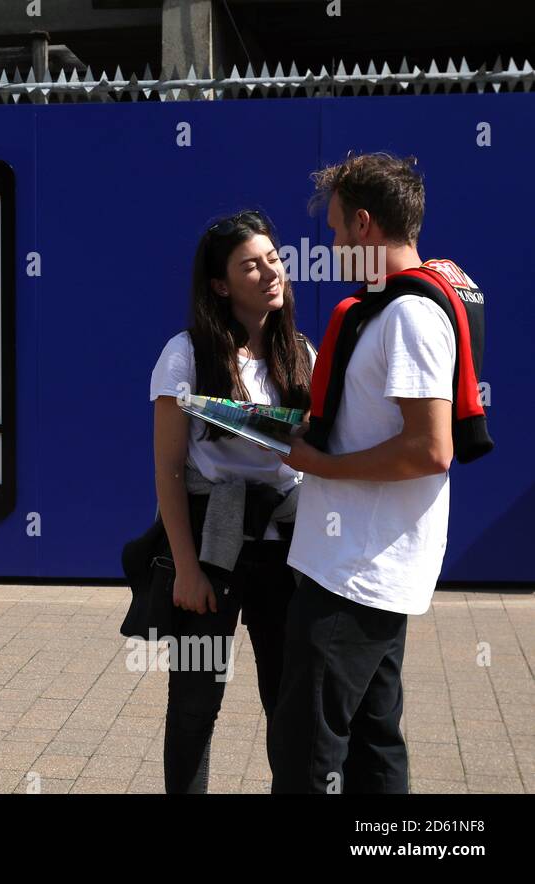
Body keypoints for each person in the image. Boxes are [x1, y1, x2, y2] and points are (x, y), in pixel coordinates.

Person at [270, 152, 492, 793]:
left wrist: (323, 466)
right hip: (361, 568)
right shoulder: (390, 307)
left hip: (355, 573)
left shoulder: (408, 316)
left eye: (338, 229)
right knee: (372, 751)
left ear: (365, 224)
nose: (334, 244)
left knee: (306, 756)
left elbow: (430, 450)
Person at [149, 210, 315, 793]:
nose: (271, 272)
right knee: (196, 705)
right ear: (220, 285)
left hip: (286, 549)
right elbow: (169, 472)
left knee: (290, 704)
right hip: (211, 544)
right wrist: (186, 569)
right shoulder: (186, 355)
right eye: (252, 264)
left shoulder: (302, 353)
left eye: (273, 258)